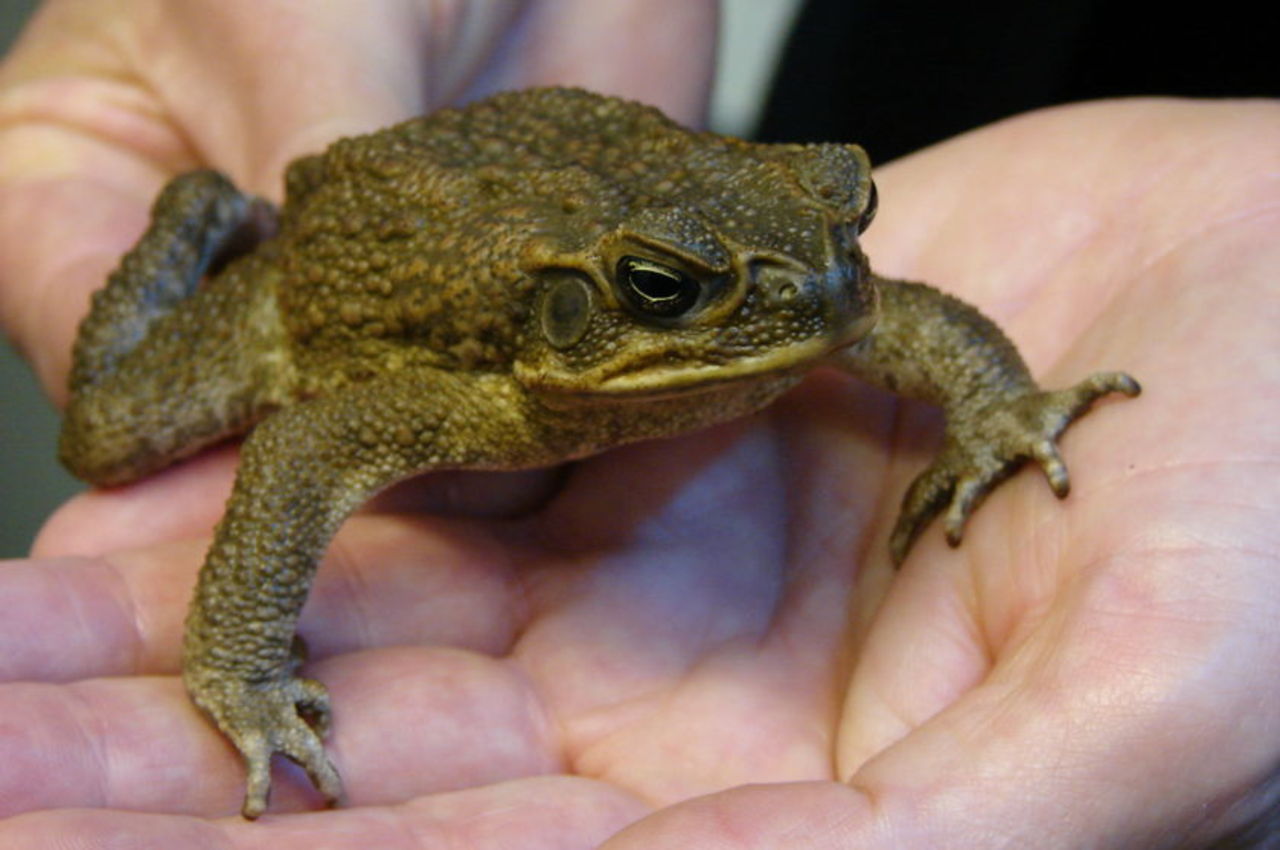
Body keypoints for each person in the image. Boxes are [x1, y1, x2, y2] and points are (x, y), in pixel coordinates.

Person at [1, 1, 1277, 846]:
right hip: (345, 267)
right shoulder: (487, 385)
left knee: (791, 289)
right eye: (668, 293)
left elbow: (876, 308)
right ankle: (205, 218)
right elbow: (304, 443)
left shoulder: (803, 284)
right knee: (107, 430)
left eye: (847, 224)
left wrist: (997, 407)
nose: (825, 292)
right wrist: (241, 664)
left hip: (631, 192)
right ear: (598, 308)